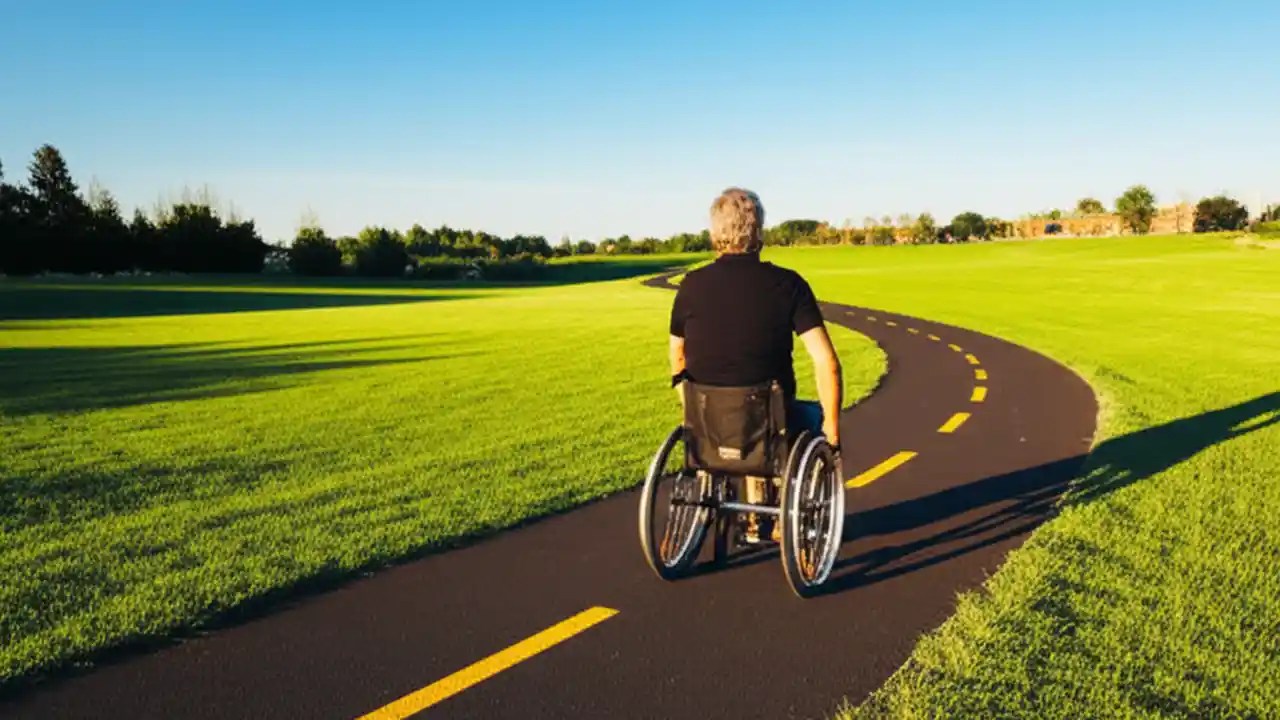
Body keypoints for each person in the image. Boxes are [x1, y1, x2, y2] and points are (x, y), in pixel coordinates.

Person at [668, 188, 843, 543]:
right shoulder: (788, 285)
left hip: (709, 423)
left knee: (744, 413)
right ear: (759, 230)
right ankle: (781, 518)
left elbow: (677, 358)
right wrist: (834, 434)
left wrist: (694, 408)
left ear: (714, 233)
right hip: (769, 418)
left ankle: (749, 517)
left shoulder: (690, 286)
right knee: (799, 418)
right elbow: (827, 362)